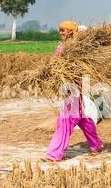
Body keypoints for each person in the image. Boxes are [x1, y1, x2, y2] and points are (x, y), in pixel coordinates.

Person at [45, 22, 104, 160]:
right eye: (60, 30)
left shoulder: (77, 48)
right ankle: (96, 144)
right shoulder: (63, 46)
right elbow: (55, 62)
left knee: (65, 119)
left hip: (74, 88)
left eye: (63, 30)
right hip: (68, 87)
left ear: (71, 31)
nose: (60, 33)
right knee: (82, 118)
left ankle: (55, 152)